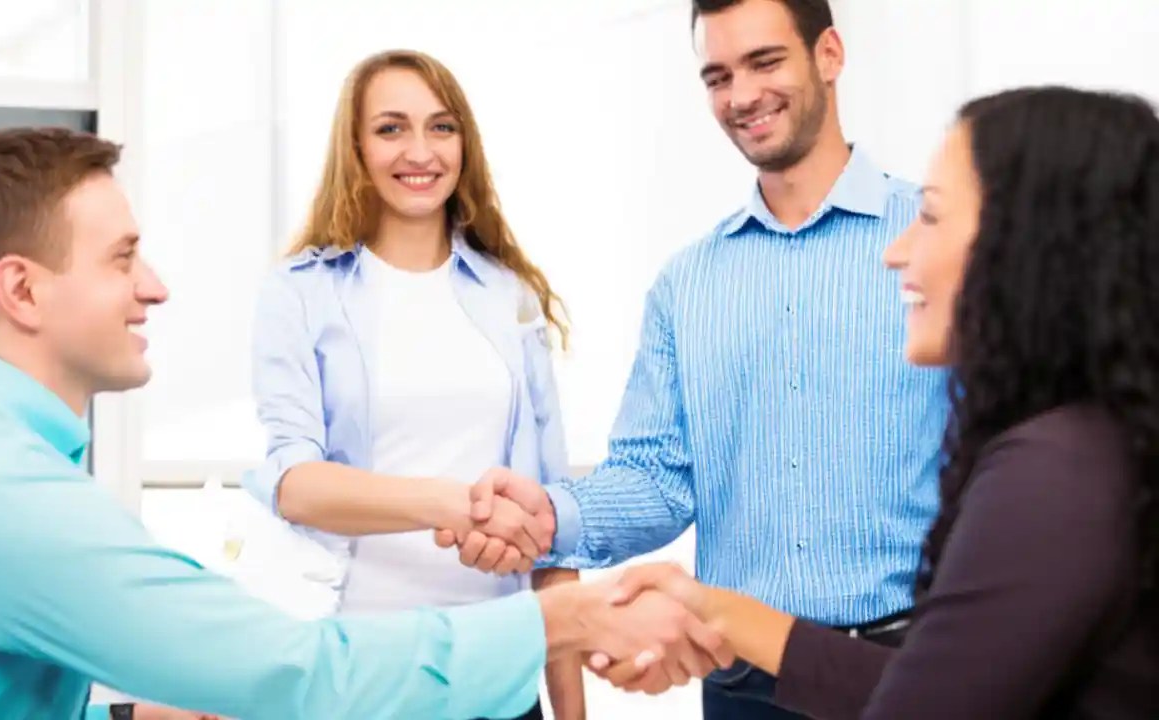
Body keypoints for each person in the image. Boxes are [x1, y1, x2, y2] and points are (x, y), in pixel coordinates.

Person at [0, 126, 734, 719]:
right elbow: (301, 674)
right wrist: (570, 621)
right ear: (21, 290)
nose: (156, 287)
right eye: (122, 257)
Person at [440, 0, 947, 716]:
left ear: (829, 55)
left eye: (765, 62)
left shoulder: (938, 242)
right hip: (742, 681)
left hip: (909, 670)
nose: (742, 96)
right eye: (718, 76)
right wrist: (550, 516)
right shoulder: (689, 282)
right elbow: (657, 477)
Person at [594, 85, 1159, 718]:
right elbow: (939, 693)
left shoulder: (1053, 473)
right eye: (716, 75)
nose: (896, 250)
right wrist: (719, 610)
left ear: (1031, 243)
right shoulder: (1088, 445)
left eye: (935, 215)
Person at [242, 49, 583, 720]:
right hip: (355, 673)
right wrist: (446, 503)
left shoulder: (510, 295)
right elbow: (295, 485)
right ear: (357, 147)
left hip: (496, 675)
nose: (419, 151)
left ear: (465, 145)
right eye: (392, 128)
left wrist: (572, 713)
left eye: (441, 126)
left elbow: (554, 522)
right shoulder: (300, 294)